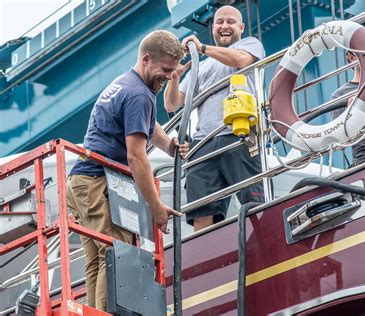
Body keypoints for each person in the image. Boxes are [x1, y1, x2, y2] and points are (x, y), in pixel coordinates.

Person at [66, 30, 188, 311]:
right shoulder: (139, 95)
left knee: (100, 257)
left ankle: (97, 311)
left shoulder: (130, 84)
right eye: (166, 70)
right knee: (117, 252)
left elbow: (146, 123)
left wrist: (167, 143)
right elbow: (136, 157)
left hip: (81, 182)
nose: (170, 77)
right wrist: (156, 206)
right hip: (96, 182)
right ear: (146, 59)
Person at [164, 5, 266, 231]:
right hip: (203, 142)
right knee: (201, 212)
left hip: (239, 134)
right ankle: (205, 261)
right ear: (213, 28)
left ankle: (266, 245)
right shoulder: (200, 67)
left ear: (241, 27)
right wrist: (174, 78)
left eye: (230, 22)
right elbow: (172, 103)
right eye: (219, 22)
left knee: (254, 201)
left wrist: (202, 48)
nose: (224, 26)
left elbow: (240, 61)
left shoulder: (250, 45)